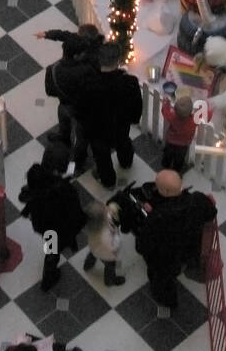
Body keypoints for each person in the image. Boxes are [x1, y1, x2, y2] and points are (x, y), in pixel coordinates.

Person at [135, 170, 216, 310]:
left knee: (162, 281)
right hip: (190, 249)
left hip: (166, 259)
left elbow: (143, 246)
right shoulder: (197, 200)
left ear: (164, 192)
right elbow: (211, 213)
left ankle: (167, 301)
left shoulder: (156, 219)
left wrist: (150, 214)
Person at [18, 143, 87, 291]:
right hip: (57, 227)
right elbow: (73, 210)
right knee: (53, 251)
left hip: (44, 225)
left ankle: (49, 274)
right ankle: (48, 278)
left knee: (51, 248)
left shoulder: (37, 180)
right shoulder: (61, 191)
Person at [75, 42, 143, 188]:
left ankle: (108, 181)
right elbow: (137, 106)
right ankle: (126, 163)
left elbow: (80, 110)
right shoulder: (130, 83)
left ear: (99, 60)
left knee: (102, 157)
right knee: (123, 142)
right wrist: (134, 119)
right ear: (118, 60)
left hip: (97, 131)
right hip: (121, 126)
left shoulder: (88, 85)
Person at [42, 31, 96, 168]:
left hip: (64, 105)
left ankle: (64, 139)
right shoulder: (87, 71)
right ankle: (79, 159)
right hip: (82, 109)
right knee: (81, 136)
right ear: (77, 55)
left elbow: (49, 91)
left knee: (64, 124)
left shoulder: (52, 69)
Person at [83, 200, 125, 287]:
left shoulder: (92, 225)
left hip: (94, 246)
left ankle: (87, 265)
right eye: (104, 209)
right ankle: (109, 280)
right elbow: (113, 245)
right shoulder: (105, 234)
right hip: (106, 254)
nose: (106, 209)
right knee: (110, 266)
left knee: (93, 254)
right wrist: (116, 237)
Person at [161, 90, 197, 174]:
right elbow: (205, 116)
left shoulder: (173, 117)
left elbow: (165, 112)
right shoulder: (194, 121)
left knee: (167, 154)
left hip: (170, 141)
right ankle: (176, 170)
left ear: (175, 110)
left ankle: (165, 165)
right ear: (191, 110)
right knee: (179, 159)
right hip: (184, 145)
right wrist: (209, 110)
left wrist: (166, 103)